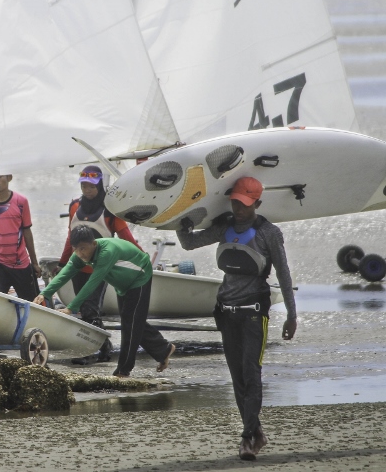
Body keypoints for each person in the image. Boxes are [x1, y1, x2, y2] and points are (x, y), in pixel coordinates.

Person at [176, 176, 297, 461]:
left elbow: (283, 273)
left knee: (251, 373)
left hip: (255, 313)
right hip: (227, 312)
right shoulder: (225, 226)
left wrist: (292, 314)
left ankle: (246, 438)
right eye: (234, 201)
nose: (238, 207)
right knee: (238, 378)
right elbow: (190, 243)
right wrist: (183, 220)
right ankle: (256, 433)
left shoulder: (269, 233)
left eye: (244, 203)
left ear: (257, 203)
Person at [35, 225, 176, 377]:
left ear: (93, 244)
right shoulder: (79, 255)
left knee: (131, 324)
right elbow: (65, 274)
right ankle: (164, 349)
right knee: (132, 320)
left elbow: (92, 283)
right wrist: (45, 294)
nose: (80, 253)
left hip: (139, 277)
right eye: (76, 249)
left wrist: (71, 307)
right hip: (122, 283)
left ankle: (123, 369)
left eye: (83, 248)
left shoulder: (107, 252)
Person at [56, 165, 144, 363]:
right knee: (87, 310)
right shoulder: (74, 207)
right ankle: (105, 348)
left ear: (101, 185)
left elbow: (124, 236)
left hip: (101, 268)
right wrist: (62, 263)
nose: (87, 190)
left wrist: (141, 257)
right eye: (84, 185)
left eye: (92, 186)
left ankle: (87, 352)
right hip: (79, 266)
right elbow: (71, 237)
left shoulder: (110, 209)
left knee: (90, 309)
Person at [0, 175, 42, 302]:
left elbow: (27, 231)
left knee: (33, 304)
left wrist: (34, 262)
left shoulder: (21, 202)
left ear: (9, 177)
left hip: (20, 263)